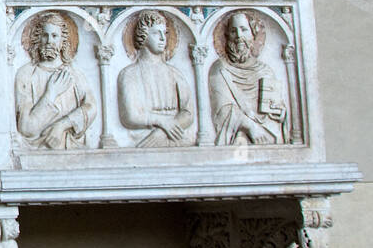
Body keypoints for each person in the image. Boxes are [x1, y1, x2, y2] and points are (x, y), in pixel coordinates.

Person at [15, 11, 96, 149]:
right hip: (37, 150)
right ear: (38, 39)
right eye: (45, 36)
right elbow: (26, 128)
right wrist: (50, 94)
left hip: (72, 150)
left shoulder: (74, 74)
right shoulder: (26, 74)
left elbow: (91, 107)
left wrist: (62, 125)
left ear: (62, 40)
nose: (49, 41)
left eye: (54, 36)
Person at [209, 11, 288, 145]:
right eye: (233, 31)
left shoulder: (265, 71)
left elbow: (274, 108)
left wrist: (280, 112)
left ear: (253, 35)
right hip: (238, 137)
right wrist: (251, 126)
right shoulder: (220, 69)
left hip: (268, 137)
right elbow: (223, 111)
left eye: (244, 30)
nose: (239, 36)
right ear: (227, 37)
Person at [117, 10, 193, 146]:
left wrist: (164, 131)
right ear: (143, 36)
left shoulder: (175, 73)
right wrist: (161, 121)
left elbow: (188, 112)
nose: (163, 38)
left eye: (165, 33)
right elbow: (129, 117)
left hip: (175, 136)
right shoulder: (129, 74)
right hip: (142, 140)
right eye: (157, 33)